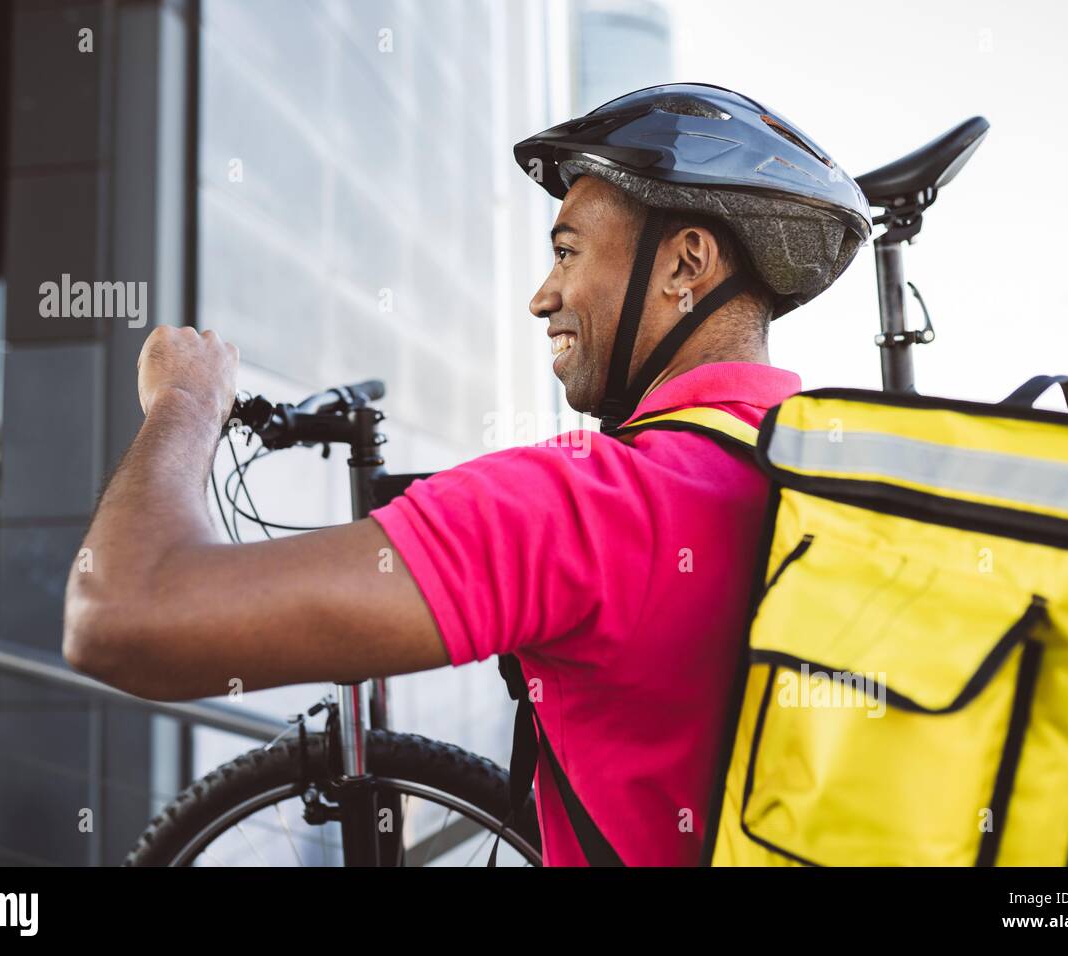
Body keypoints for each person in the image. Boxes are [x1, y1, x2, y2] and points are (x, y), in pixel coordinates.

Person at [62, 83, 871, 866]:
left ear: (684, 263)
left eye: (567, 252)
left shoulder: (587, 506)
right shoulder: (847, 485)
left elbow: (124, 615)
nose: (541, 296)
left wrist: (185, 401)